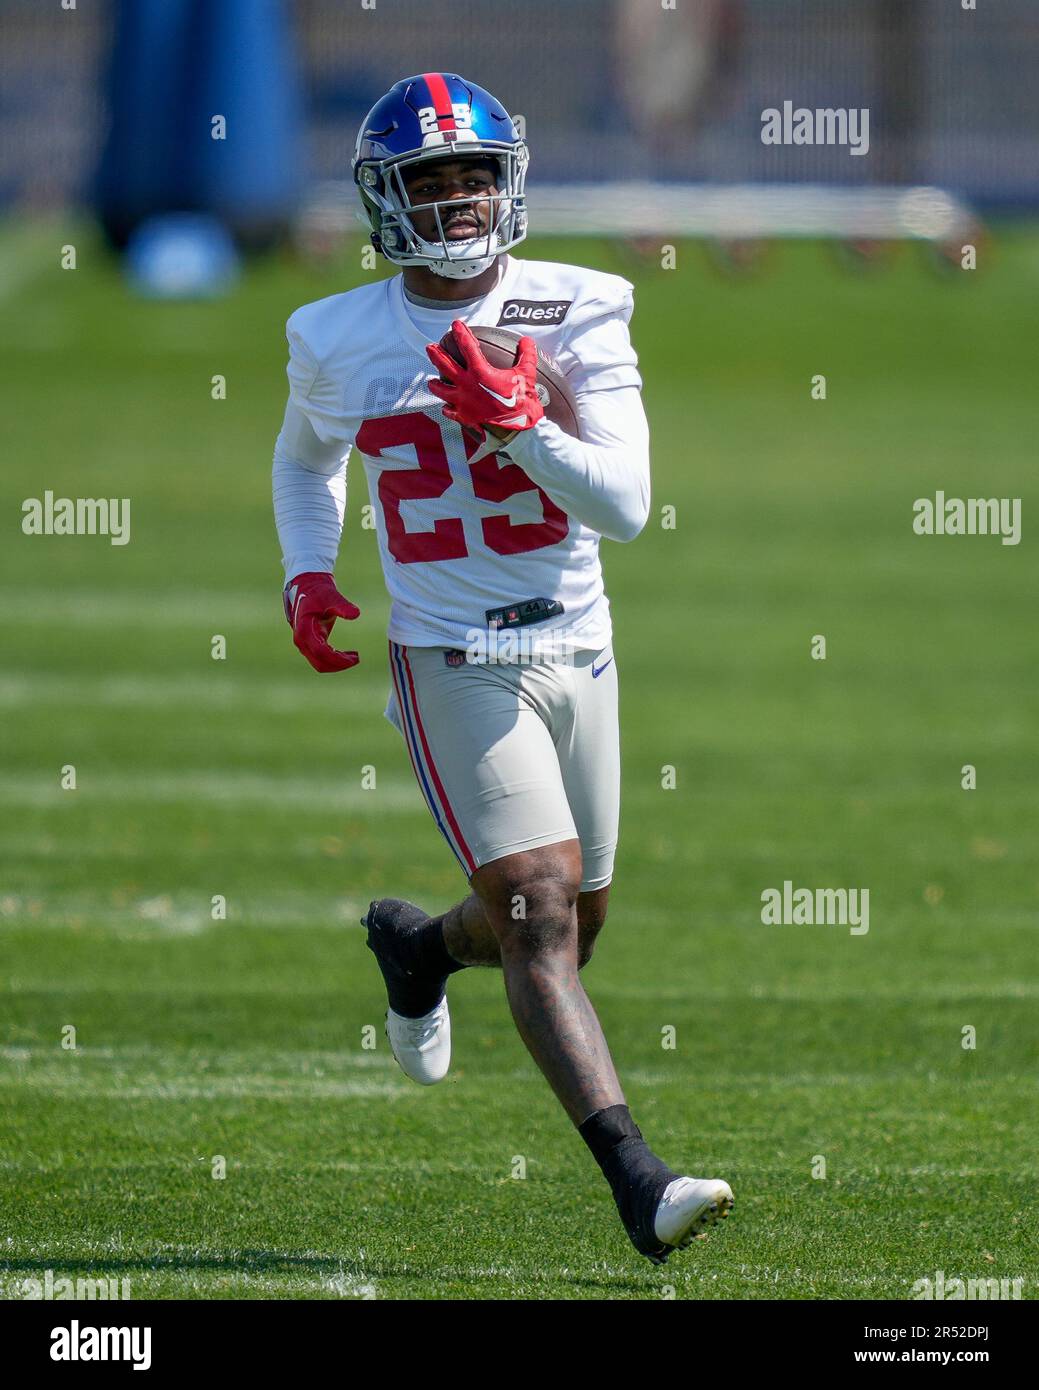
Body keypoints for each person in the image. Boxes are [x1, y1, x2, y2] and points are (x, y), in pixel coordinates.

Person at [272, 72, 733, 1263]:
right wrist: (307, 571)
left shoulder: (579, 306)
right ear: (388, 199)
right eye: (432, 179)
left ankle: (421, 950)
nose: (461, 199)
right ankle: (641, 1180)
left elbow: (627, 506)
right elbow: (306, 460)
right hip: (454, 654)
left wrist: (525, 422)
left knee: (573, 927)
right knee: (535, 902)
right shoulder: (337, 335)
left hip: (579, 642)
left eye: (476, 173)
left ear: (509, 180)